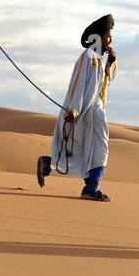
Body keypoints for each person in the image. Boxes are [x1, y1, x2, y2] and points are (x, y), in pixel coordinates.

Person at [37, 14, 117, 201]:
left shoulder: (99, 58)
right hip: (82, 112)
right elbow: (78, 84)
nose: (110, 40)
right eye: (108, 36)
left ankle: (48, 164)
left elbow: (104, 85)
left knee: (94, 150)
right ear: (98, 37)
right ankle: (90, 188)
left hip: (96, 112)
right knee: (91, 150)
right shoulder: (87, 57)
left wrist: (111, 63)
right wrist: (73, 109)